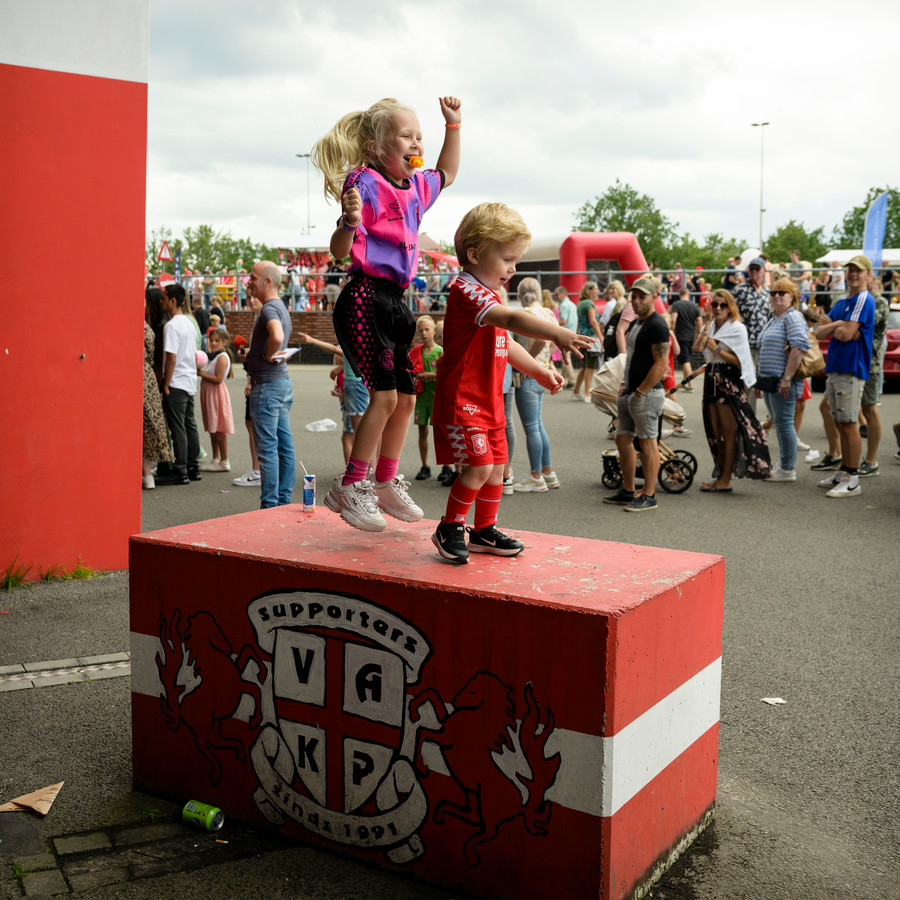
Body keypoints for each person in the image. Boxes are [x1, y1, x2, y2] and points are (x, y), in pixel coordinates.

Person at [312, 95, 462, 532]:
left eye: (420, 136)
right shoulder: (365, 181)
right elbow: (339, 253)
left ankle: (382, 482)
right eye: (405, 136)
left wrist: (453, 126)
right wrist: (348, 222)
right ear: (378, 147)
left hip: (397, 301)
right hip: (364, 296)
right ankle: (350, 485)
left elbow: (447, 172)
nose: (416, 142)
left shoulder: (415, 186)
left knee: (407, 396)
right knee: (384, 396)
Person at [430, 202, 590, 563]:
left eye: (516, 261)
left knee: (498, 466)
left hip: (488, 400)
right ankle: (450, 526)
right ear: (474, 254)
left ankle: (484, 530)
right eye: (507, 260)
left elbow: (506, 342)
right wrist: (558, 333)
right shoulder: (466, 292)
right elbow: (512, 320)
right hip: (463, 399)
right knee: (481, 465)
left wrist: (537, 369)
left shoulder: (488, 295)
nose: (513, 269)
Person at [602, 276, 670, 512]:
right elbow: (632, 358)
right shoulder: (639, 323)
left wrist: (641, 391)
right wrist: (625, 384)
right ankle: (628, 490)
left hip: (646, 395)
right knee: (622, 438)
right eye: (634, 296)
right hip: (631, 391)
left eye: (642, 296)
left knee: (649, 444)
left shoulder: (657, 324)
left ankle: (649, 495)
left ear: (654, 298)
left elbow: (661, 363)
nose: (637, 301)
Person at [694, 288, 771, 492]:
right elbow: (697, 347)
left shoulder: (737, 328)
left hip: (728, 379)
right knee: (715, 431)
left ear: (730, 307)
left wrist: (718, 349)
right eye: (715, 304)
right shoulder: (710, 327)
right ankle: (721, 474)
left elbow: (741, 360)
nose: (718, 308)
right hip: (711, 378)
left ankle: (725, 479)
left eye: (723, 305)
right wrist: (707, 324)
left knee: (729, 432)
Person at [813, 256, 876, 497]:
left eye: (858, 271)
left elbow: (847, 334)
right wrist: (839, 324)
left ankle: (853, 477)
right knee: (840, 421)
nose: (853, 275)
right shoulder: (843, 301)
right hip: (837, 367)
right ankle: (844, 471)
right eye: (850, 270)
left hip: (851, 368)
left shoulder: (863, 299)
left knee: (849, 423)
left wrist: (837, 326)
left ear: (868, 275)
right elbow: (819, 332)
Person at [245, 261, 296, 508]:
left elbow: (276, 336)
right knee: (284, 447)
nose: (249, 281)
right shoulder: (281, 307)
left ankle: (270, 506)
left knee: (267, 452)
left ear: (267, 281)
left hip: (266, 387)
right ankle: (282, 502)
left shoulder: (268, 309)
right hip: (279, 383)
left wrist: (265, 354)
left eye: (253, 277)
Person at [755, 279, 810, 482]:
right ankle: (784, 464)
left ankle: (787, 468)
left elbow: (798, 348)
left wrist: (787, 379)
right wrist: (760, 382)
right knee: (779, 422)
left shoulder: (793, 317)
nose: (777, 295)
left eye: (782, 292)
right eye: (773, 292)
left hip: (782, 381)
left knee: (785, 423)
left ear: (792, 296)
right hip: (770, 380)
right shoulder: (775, 318)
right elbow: (765, 350)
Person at [513, 278, 561, 493]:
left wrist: (527, 364)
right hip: (544, 372)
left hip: (530, 375)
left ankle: (536, 476)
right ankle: (548, 472)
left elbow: (541, 340)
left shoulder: (527, 315)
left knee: (531, 426)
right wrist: (545, 362)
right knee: (538, 425)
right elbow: (551, 342)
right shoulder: (548, 313)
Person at [158, 283, 201, 485]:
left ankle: (180, 468)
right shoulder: (189, 324)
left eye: (164, 297)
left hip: (176, 381)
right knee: (189, 423)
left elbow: (171, 357)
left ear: (173, 301)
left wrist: (165, 384)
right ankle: (193, 466)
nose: (162, 301)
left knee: (178, 427)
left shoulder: (171, 325)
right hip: (189, 378)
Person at [858, 271, 890, 477]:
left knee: (870, 409)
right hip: (853, 363)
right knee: (827, 406)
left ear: (871, 278)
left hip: (870, 364)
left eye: (863, 274)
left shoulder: (878, 302)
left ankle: (872, 460)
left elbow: (858, 325)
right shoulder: (856, 300)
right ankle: (836, 455)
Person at [142, 294, 173, 490]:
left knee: (141, 427)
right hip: (148, 378)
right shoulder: (148, 328)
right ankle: (147, 474)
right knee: (151, 427)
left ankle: (145, 474)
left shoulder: (137, 326)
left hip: (138, 376)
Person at [731, 256, 770, 412]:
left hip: (764, 346)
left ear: (763, 271)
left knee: (759, 385)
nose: (754, 272)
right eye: (751, 269)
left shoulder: (769, 292)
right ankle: (745, 421)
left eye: (757, 269)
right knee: (746, 384)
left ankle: (752, 421)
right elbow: (732, 316)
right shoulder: (739, 290)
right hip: (745, 346)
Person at [409, 315, 443, 480]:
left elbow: (447, 374)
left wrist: (434, 375)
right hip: (421, 398)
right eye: (420, 330)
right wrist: (417, 375)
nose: (423, 333)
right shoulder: (416, 352)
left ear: (434, 331)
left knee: (440, 432)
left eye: (427, 329)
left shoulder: (440, 352)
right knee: (422, 430)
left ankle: (446, 466)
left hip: (437, 397)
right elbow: (410, 371)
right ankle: (425, 465)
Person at [197, 328, 235, 472]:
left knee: (219, 428)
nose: (213, 343)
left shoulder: (222, 358)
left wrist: (200, 373)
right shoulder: (214, 356)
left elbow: (218, 379)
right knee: (213, 428)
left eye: (217, 341)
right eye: (211, 340)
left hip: (215, 394)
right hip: (209, 393)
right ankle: (216, 458)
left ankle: (224, 461)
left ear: (225, 342)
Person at [572, 282, 604, 402]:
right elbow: (593, 322)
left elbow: (580, 322)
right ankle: (587, 393)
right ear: (589, 290)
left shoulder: (580, 303)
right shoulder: (589, 303)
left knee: (584, 365)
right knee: (590, 366)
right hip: (590, 337)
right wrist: (601, 337)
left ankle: (576, 391)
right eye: (595, 289)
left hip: (581, 336)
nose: (597, 291)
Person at [668, 287, 700, 388]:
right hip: (691, 335)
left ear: (679, 294)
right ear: (688, 294)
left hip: (681, 336)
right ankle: (685, 382)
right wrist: (698, 334)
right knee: (687, 358)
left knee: (686, 360)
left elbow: (673, 320)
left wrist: (672, 332)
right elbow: (699, 321)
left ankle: (690, 384)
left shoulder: (676, 305)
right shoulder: (695, 306)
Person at [554, 285, 578, 387]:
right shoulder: (572, 304)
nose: (555, 297)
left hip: (565, 334)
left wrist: (553, 325)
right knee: (566, 357)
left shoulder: (563, 305)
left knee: (566, 358)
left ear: (563, 294)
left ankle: (572, 379)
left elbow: (563, 320)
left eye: (557, 294)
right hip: (573, 332)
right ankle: (563, 379)